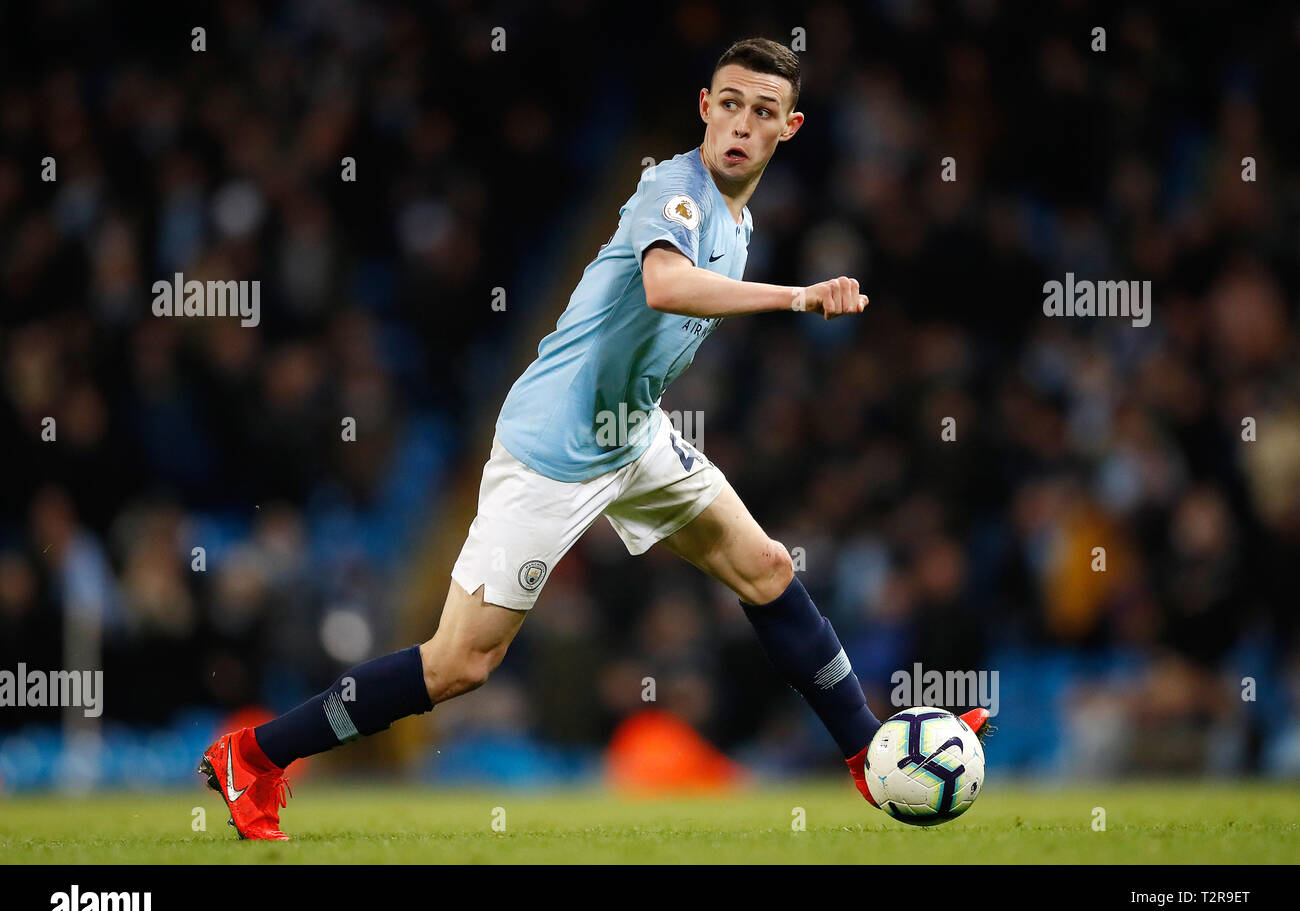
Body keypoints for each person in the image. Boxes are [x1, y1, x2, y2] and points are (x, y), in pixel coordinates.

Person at [199, 37, 988, 840]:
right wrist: (797, 298)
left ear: (790, 127)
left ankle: (871, 753)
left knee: (767, 566)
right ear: (705, 108)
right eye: (731, 103)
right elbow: (665, 283)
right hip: (554, 447)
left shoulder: (738, 220)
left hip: (630, 431)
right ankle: (255, 754)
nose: (742, 123)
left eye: (764, 111)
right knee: (459, 663)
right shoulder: (675, 189)